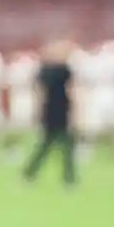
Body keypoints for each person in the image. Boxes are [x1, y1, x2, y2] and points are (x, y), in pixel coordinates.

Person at [22, 39, 78, 187]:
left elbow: (71, 90)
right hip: (51, 110)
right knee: (47, 145)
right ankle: (30, 173)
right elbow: (40, 92)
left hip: (62, 109)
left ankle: (68, 178)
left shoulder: (65, 70)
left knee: (64, 146)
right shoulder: (45, 71)